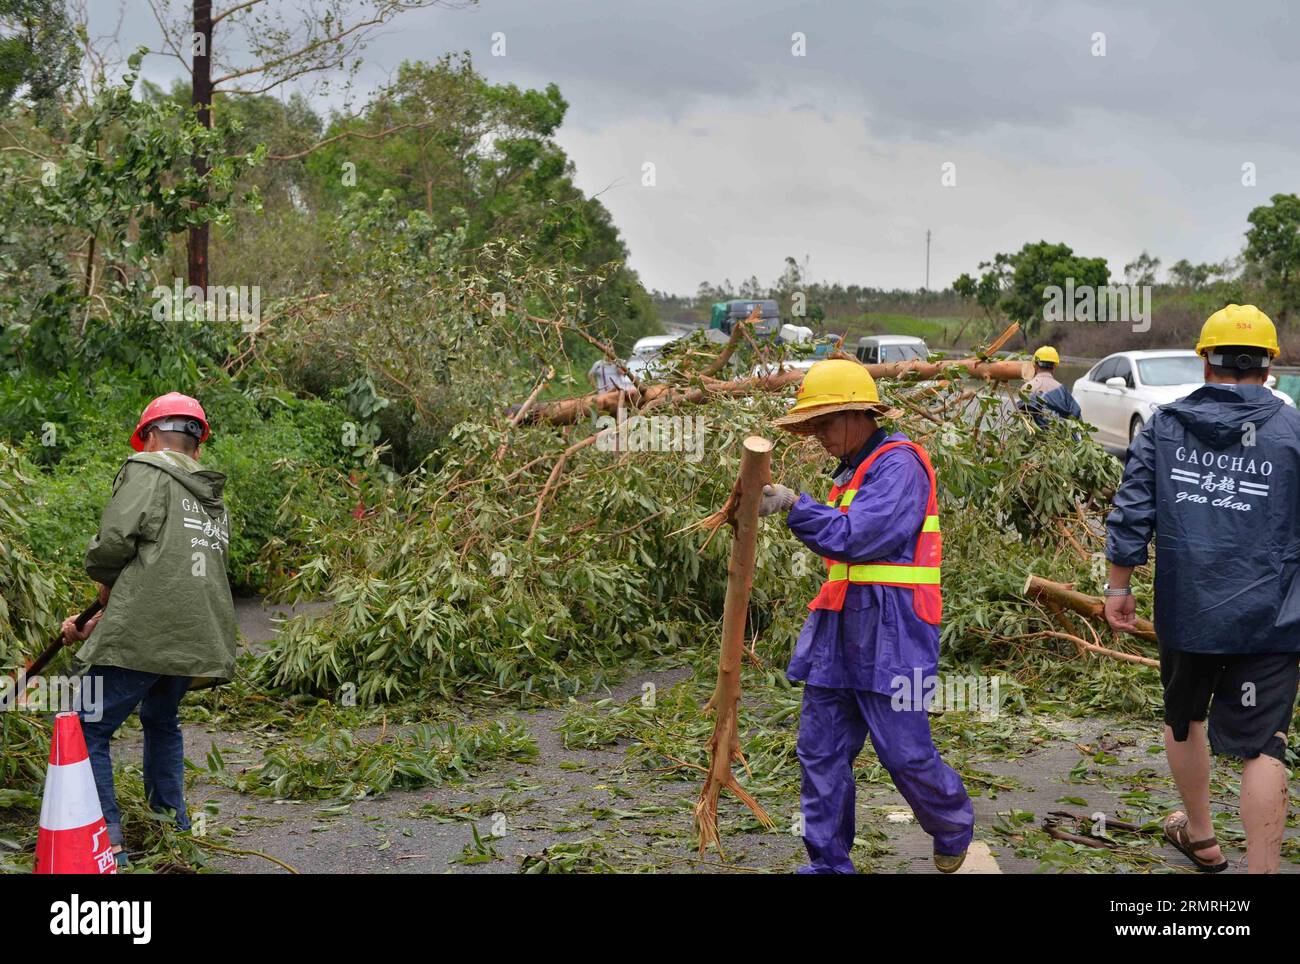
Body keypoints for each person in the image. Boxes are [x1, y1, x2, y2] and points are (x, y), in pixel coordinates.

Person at [758, 359, 974, 873]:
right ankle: (829, 864)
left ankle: (951, 822)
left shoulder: (899, 465)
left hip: (894, 633)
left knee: (904, 752)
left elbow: (856, 536)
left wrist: (793, 506)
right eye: (814, 426)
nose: (820, 436)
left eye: (826, 423)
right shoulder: (851, 472)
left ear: (860, 414)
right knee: (821, 752)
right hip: (839, 632)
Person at [1105, 304, 1300, 874]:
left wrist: (1119, 584)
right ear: (1268, 365)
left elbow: (1132, 509)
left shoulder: (1164, 426)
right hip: (1273, 613)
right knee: (1264, 745)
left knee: (1184, 717)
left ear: (1205, 362)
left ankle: (1202, 836)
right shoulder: (1293, 433)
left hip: (1190, 610)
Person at [61, 392, 236, 869]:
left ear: (151, 437)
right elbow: (178, 565)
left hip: (147, 632)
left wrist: (103, 577)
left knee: (83, 724)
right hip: (196, 635)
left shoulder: (146, 470)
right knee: (161, 722)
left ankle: (107, 838)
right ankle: (172, 830)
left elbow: (115, 542)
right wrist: (107, 607)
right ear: (197, 447)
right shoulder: (212, 497)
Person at [1021, 345, 1080, 423]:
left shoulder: (1026, 388)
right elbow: (1076, 416)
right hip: (1058, 434)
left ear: (1035, 365)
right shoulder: (1062, 391)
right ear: (1054, 367)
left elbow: (1021, 418)